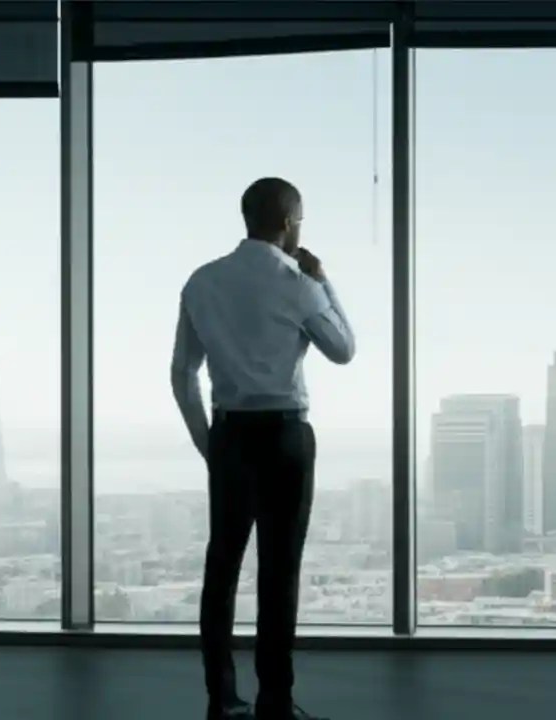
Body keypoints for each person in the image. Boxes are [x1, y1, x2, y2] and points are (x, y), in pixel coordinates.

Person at [171, 177, 355, 720]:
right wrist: (325, 279)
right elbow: (342, 349)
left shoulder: (202, 281)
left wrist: (208, 441)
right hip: (285, 436)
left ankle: (221, 700)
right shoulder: (298, 283)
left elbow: (184, 372)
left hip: (230, 434)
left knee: (221, 567)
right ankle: (275, 699)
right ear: (289, 221)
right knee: (280, 571)